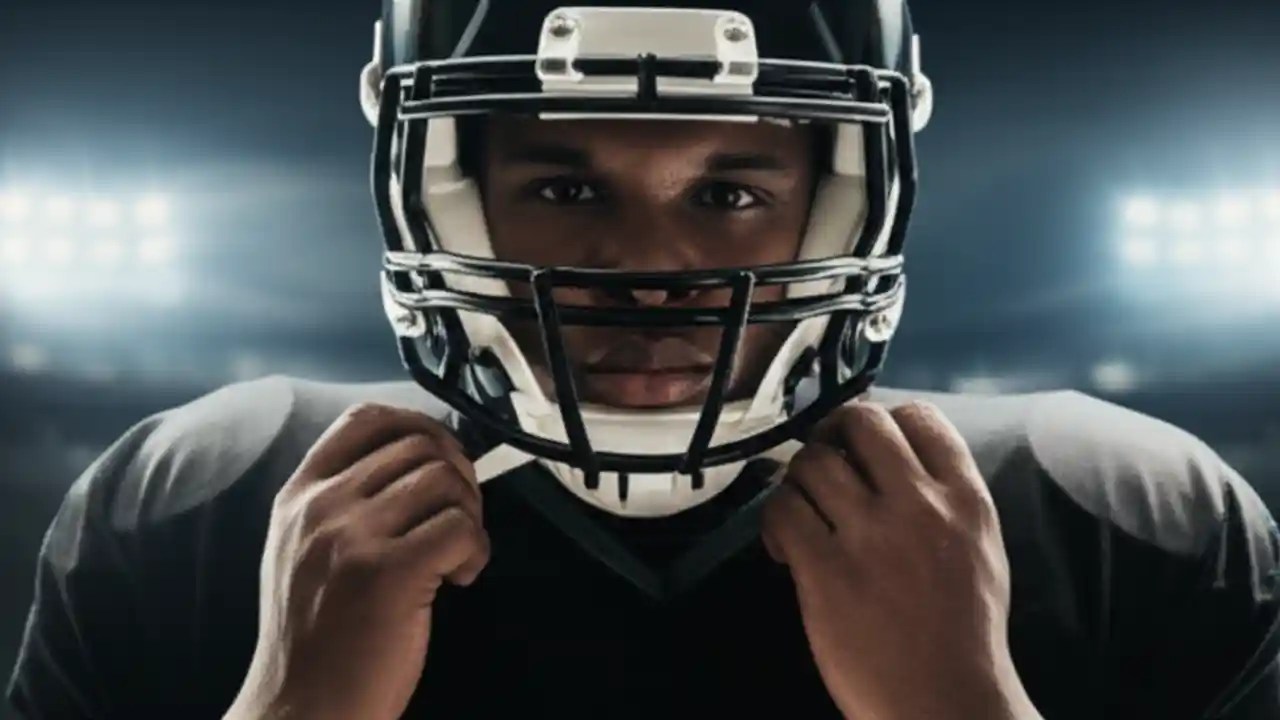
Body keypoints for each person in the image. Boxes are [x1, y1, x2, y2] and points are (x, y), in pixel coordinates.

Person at [8, 2, 1280, 718]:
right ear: (444, 195)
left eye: (730, 193)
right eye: (565, 183)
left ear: (845, 200)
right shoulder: (190, 503)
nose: (647, 270)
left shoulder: (1119, 520)